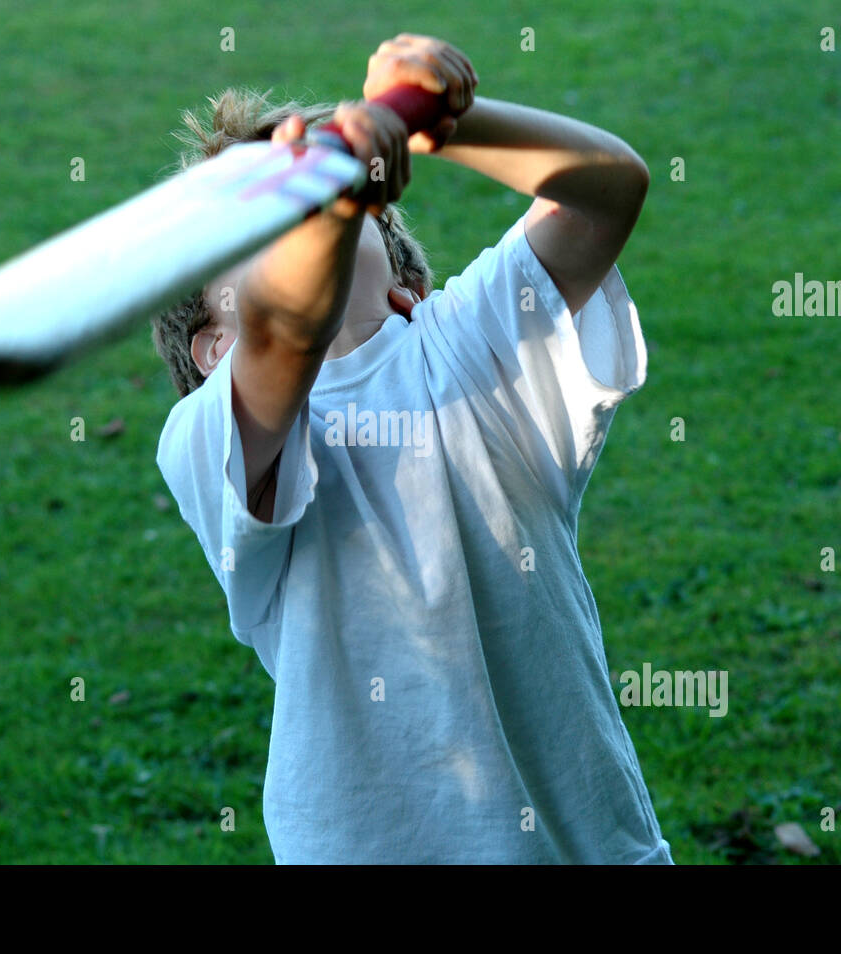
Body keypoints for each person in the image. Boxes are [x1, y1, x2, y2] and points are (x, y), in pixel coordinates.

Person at [155, 33, 670, 863]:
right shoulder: (205, 437)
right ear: (213, 348)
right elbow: (286, 334)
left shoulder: (469, 347)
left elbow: (608, 191)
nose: (305, 198)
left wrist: (442, 121)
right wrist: (336, 194)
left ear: (402, 279)